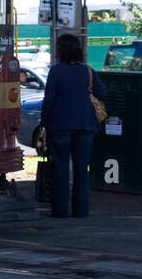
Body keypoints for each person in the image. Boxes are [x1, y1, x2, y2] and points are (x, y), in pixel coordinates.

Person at [39, 32, 106, 219]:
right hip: (86, 125)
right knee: (81, 169)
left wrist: (44, 125)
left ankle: (60, 210)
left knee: (60, 167)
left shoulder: (56, 71)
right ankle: (81, 210)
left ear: (60, 51)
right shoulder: (87, 71)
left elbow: (49, 100)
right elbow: (102, 93)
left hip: (60, 125)